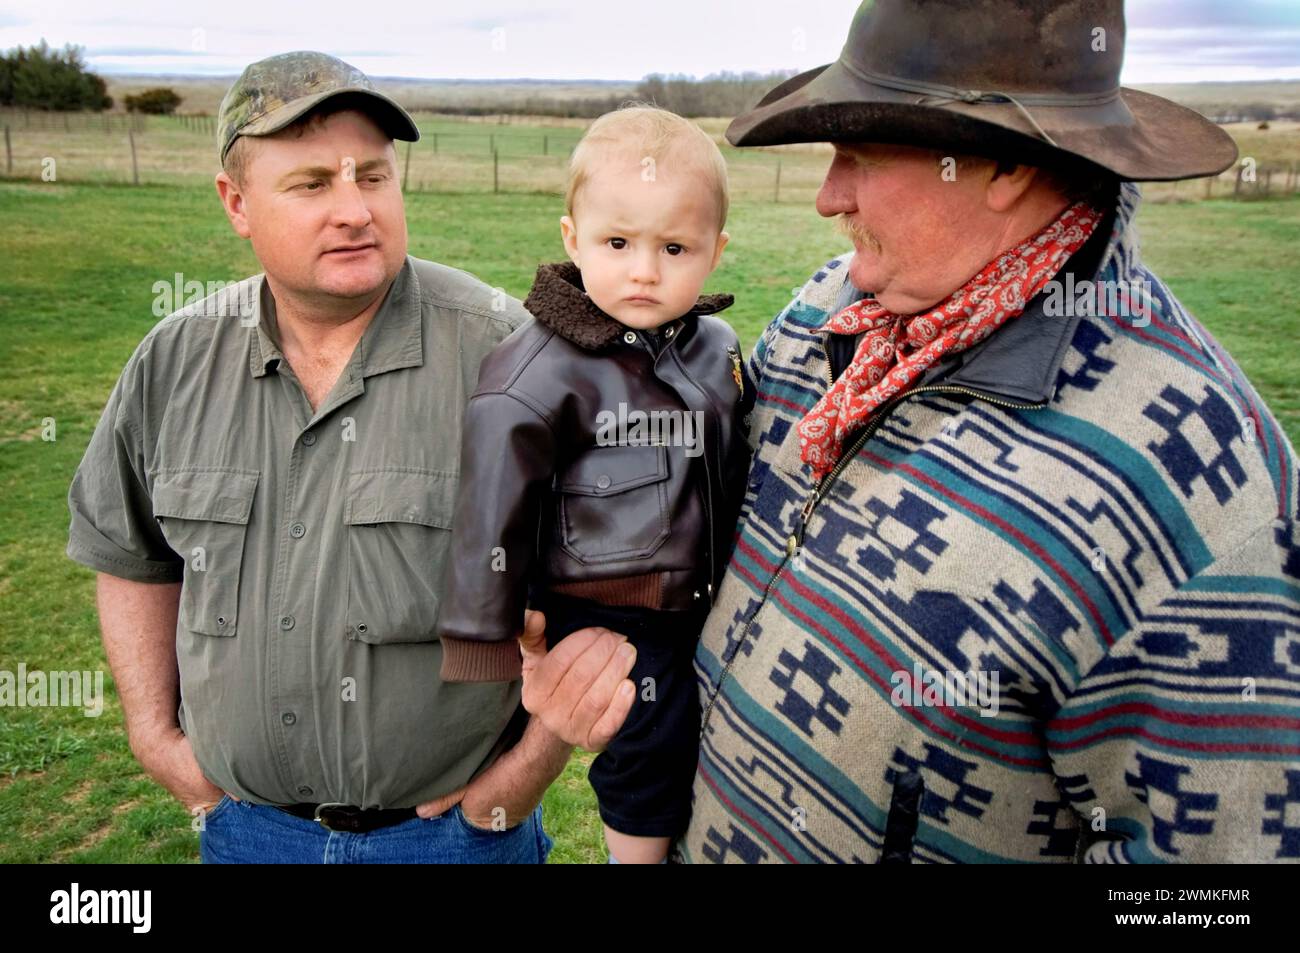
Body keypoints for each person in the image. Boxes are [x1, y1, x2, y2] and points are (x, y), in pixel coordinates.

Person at [526, 0, 1300, 863]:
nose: (828, 195)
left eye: (858, 152)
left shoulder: (1200, 489)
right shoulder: (829, 315)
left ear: (1002, 164)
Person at [64, 51, 593, 863]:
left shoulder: (510, 361)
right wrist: (152, 736)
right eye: (313, 184)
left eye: (372, 177)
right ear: (235, 203)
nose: (355, 211)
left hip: (450, 838)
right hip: (247, 832)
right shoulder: (172, 364)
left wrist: (522, 775)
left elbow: (594, 587)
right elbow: (128, 551)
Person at [437, 106, 751, 864]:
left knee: (707, 726)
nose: (644, 271)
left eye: (674, 247)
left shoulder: (715, 348)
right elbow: (490, 512)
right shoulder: (537, 370)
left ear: (714, 252)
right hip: (603, 598)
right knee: (644, 731)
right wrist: (486, 645)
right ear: (573, 240)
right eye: (618, 243)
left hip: (708, 595)